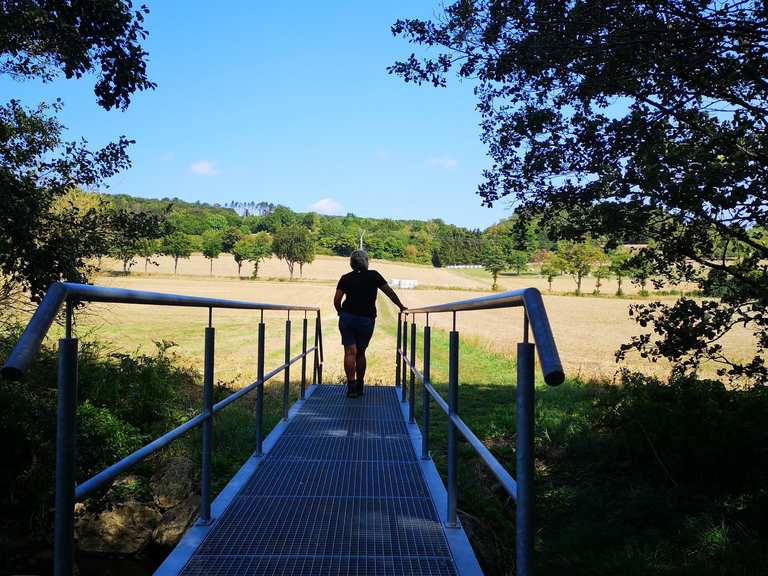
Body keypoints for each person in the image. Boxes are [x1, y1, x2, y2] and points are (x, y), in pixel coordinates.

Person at [334, 249, 406, 398]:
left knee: (349, 352)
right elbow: (389, 292)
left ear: (351, 263)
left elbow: (337, 300)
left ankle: (351, 387)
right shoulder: (374, 275)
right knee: (360, 352)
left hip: (347, 318)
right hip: (366, 320)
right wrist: (400, 306)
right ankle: (360, 385)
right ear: (366, 261)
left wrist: (341, 312)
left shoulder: (345, 278)